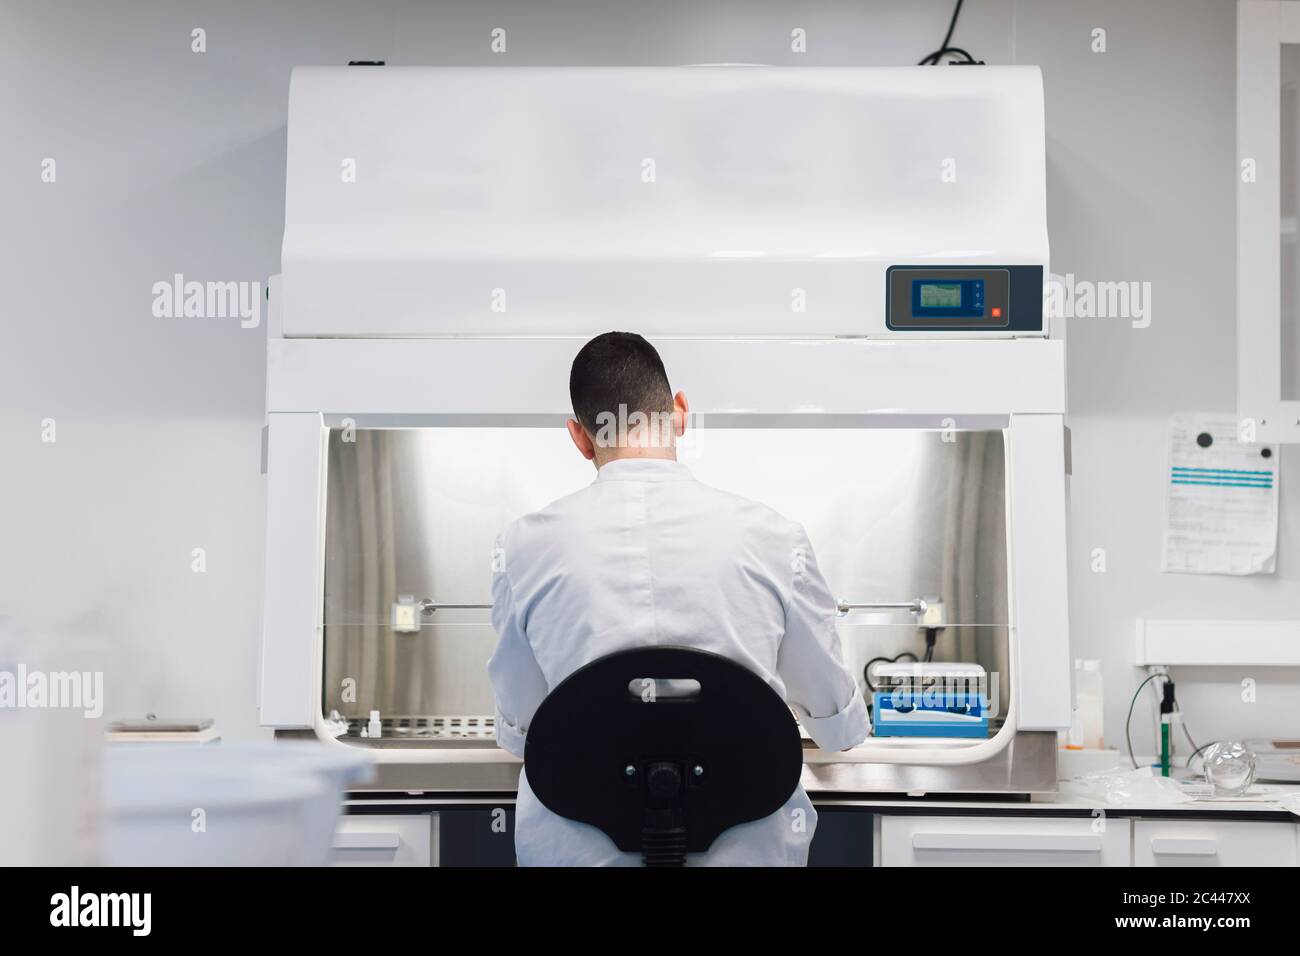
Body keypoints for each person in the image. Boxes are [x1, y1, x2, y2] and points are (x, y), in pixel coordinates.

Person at [487, 331, 869, 866]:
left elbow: (524, 732)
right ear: (681, 412)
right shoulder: (774, 538)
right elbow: (836, 723)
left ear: (579, 437)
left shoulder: (523, 548)